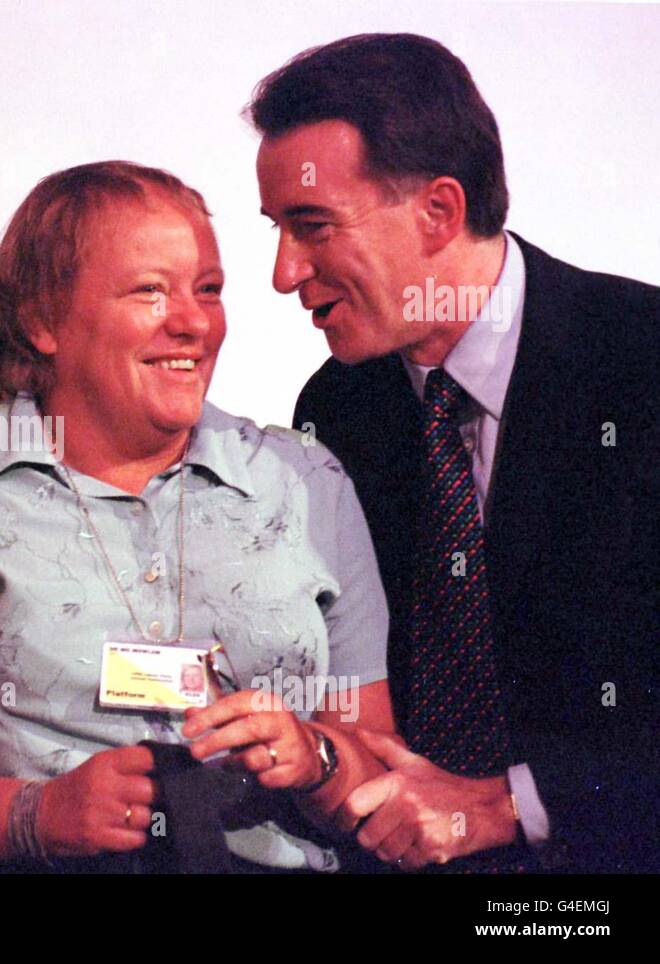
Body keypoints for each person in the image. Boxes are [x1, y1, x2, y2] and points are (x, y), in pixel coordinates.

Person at [0, 160, 398, 872]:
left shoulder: (305, 484)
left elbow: (384, 777)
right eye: (150, 292)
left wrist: (319, 757)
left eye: (208, 291)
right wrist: (36, 814)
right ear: (42, 319)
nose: (192, 323)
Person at [251, 33, 660, 872]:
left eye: (312, 226)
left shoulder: (641, 362)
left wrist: (511, 804)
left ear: (439, 210)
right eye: (278, 231)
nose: (284, 273)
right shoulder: (335, 408)